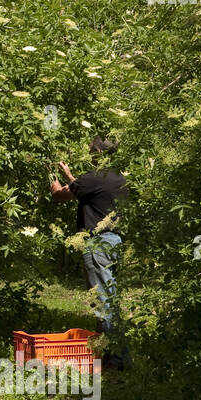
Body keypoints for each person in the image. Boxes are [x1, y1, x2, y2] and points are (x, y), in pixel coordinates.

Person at [49, 136, 130, 368]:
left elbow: (59, 195)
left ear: (97, 153)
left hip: (97, 245)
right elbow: (89, 194)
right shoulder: (117, 178)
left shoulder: (93, 178)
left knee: (103, 301)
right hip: (114, 242)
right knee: (108, 298)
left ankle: (117, 359)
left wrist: (55, 183)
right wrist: (70, 176)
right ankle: (109, 354)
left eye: (91, 151)